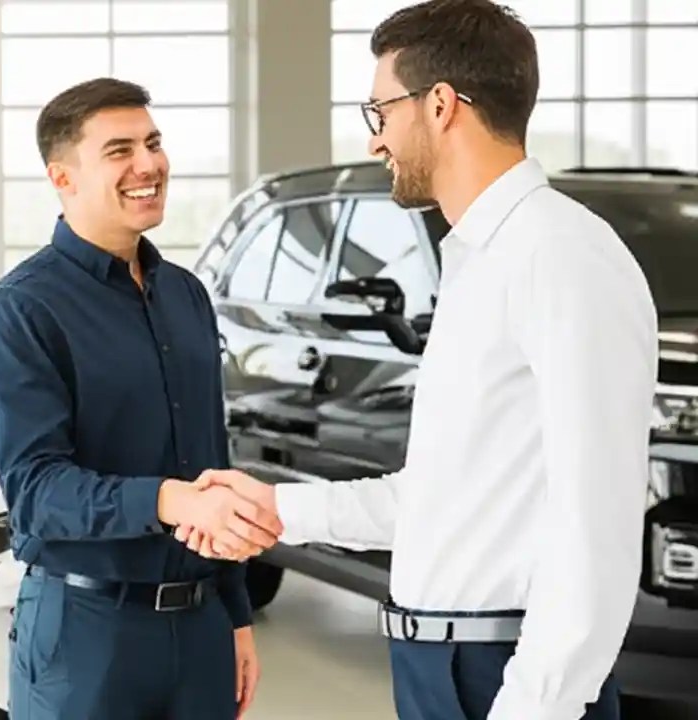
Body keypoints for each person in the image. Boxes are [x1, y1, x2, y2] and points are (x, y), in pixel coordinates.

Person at [178, 1, 659, 718]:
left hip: (506, 675)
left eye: (380, 111)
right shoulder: (475, 261)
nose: (375, 141)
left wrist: (531, 708)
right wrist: (277, 507)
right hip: (443, 663)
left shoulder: (560, 255)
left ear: (439, 105)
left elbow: (598, 524)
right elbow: (441, 499)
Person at [0, 77, 280, 720]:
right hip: (86, 629)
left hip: (199, 627)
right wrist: (167, 499)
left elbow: (209, 463)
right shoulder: (20, 310)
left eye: (153, 143)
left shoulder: (187, 296)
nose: (149, 165)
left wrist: (236, 615)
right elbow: (36, 491)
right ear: (63, 177)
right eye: (119, 150)